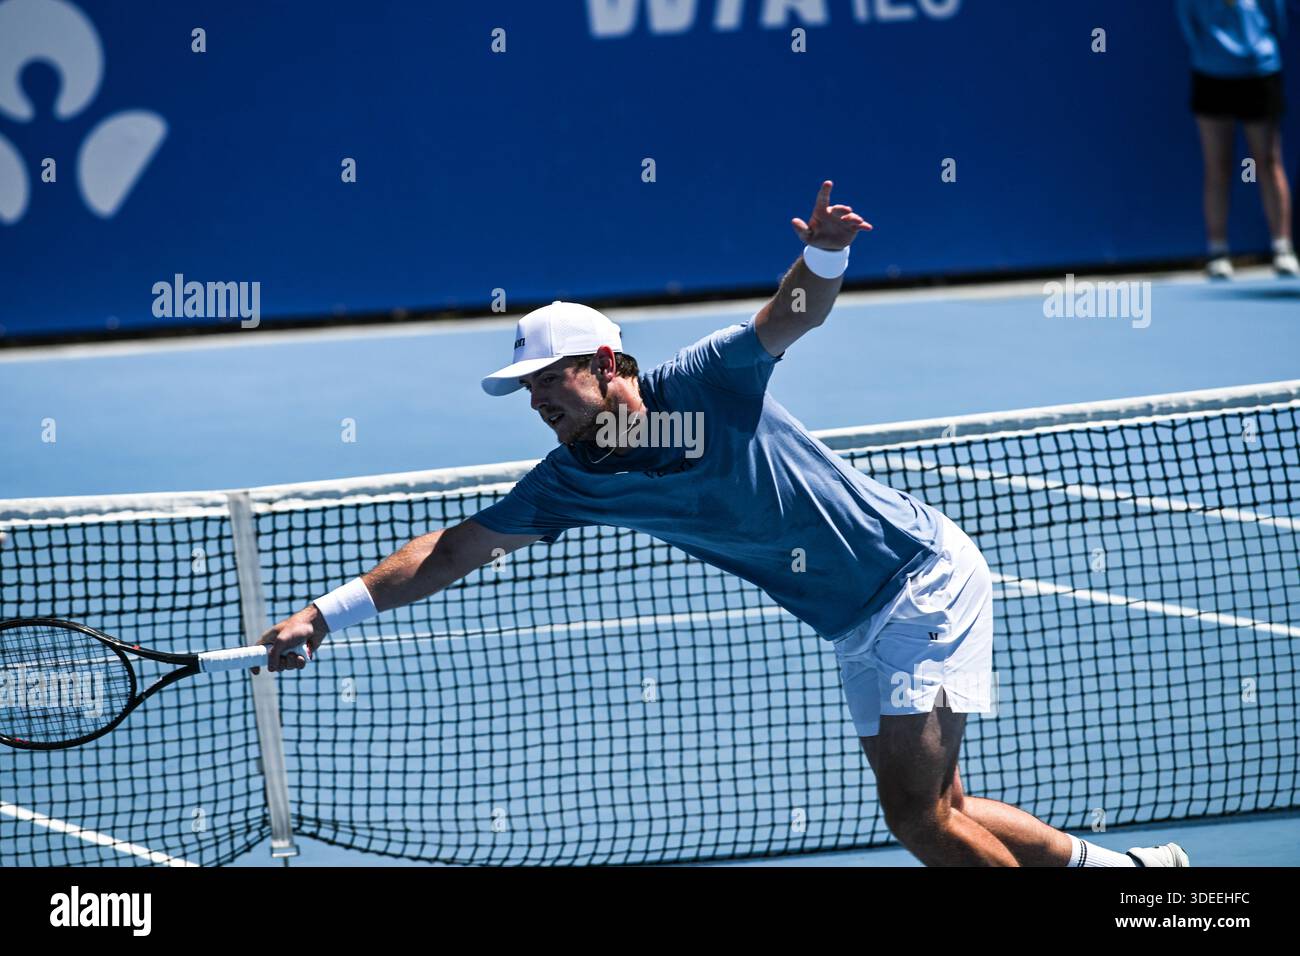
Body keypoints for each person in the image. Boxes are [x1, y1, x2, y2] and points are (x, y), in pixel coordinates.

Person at [260, 181, 1189, 867]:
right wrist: (323, 613)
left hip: (917, 583)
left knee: (918, 822)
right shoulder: (570, 483)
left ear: (608, 362)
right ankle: (1133, 879)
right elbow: (452, 548)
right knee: (940, 801)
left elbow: (791, 314)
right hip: (852, 618)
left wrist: (823, 253)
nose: (538, 399)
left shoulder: (706, 382)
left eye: (552, 379)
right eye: (527, 388)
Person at [1177, 0, 1299, 278]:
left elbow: (1277, 18)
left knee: (1268, 161)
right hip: (1211, 72)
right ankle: (1218, 251)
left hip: (1260, 71)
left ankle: (1282, 248)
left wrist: (1257, 47)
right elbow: (1188, 20)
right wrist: (1209, 53)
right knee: (1217, 165)